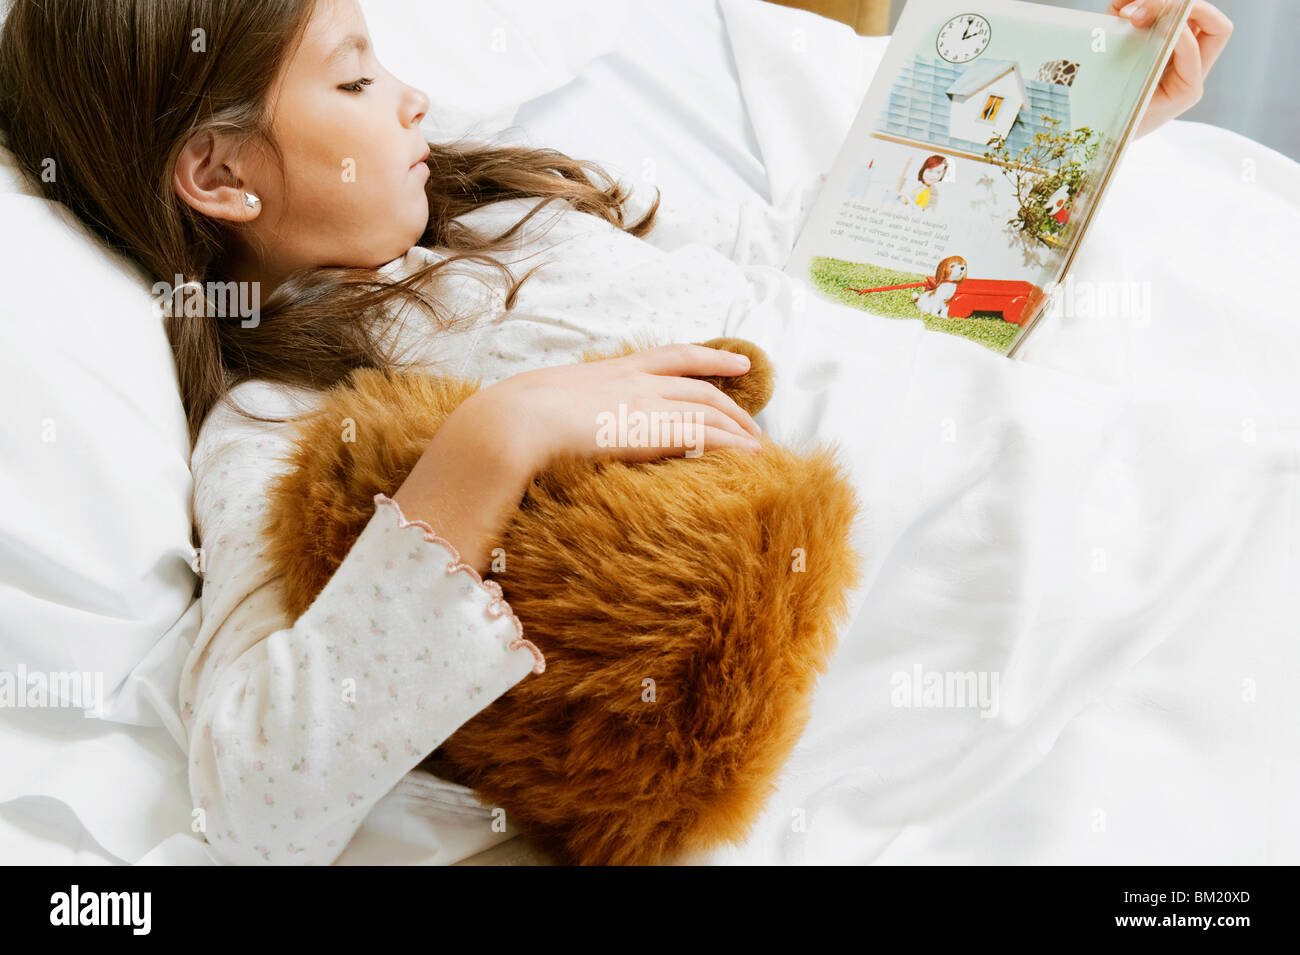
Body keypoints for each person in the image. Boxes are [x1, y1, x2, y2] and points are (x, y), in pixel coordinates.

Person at [0, 0, 1231, 864]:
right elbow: (261, 799)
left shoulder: (513, 203)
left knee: (1219, 491)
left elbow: (824, 261)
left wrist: (1086, 140)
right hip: (867, 570)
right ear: (219, 177)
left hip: (947, 414)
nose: (413, 94)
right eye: (359, 80)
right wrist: (497, 437)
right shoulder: (280, 423)